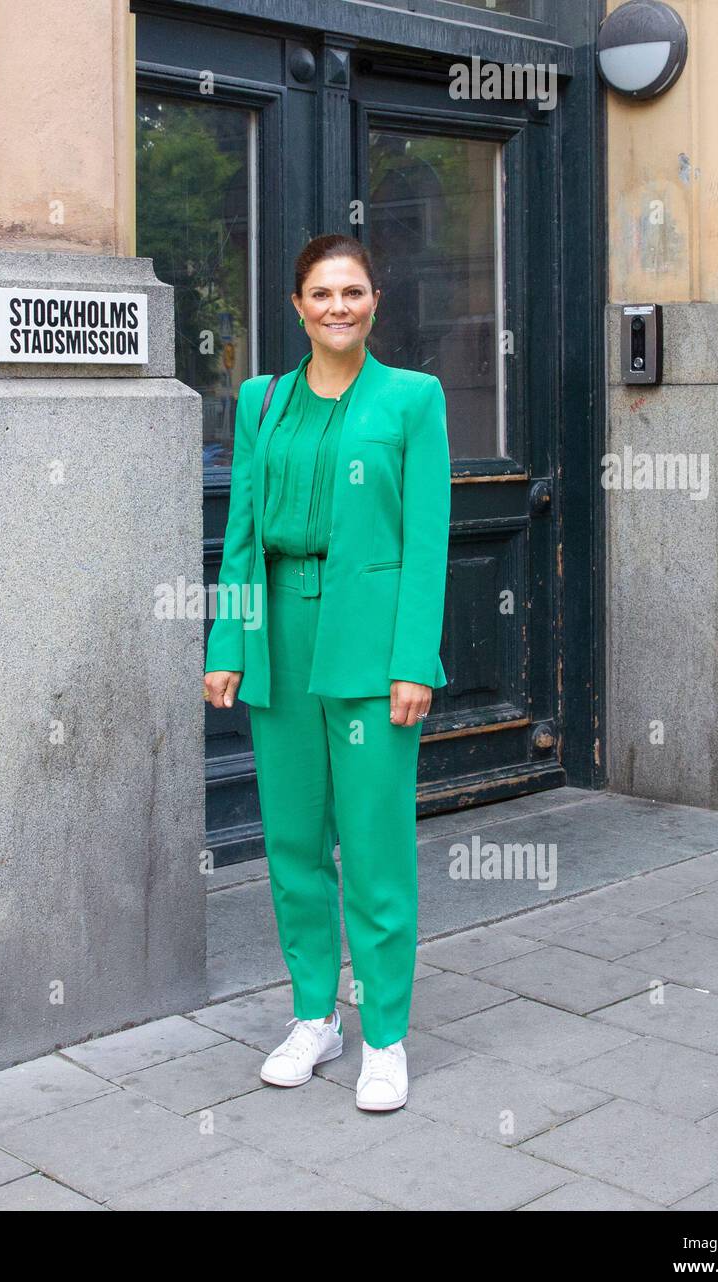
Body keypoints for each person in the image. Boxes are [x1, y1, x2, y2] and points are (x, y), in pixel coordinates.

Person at [203, 233, 451, 1112]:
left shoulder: (413, 399)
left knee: (376, 849)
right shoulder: (263, 401)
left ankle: (384, 1032)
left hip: (372, 643)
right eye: (321, 293)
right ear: (298, 307)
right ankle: (316, 1015)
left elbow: (426, 542)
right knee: (294, 847)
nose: (337, 307)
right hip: (280, 635)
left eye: (352, 292)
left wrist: (413, 660)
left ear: (375, 302)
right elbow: (239, 533)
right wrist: (227, 644)